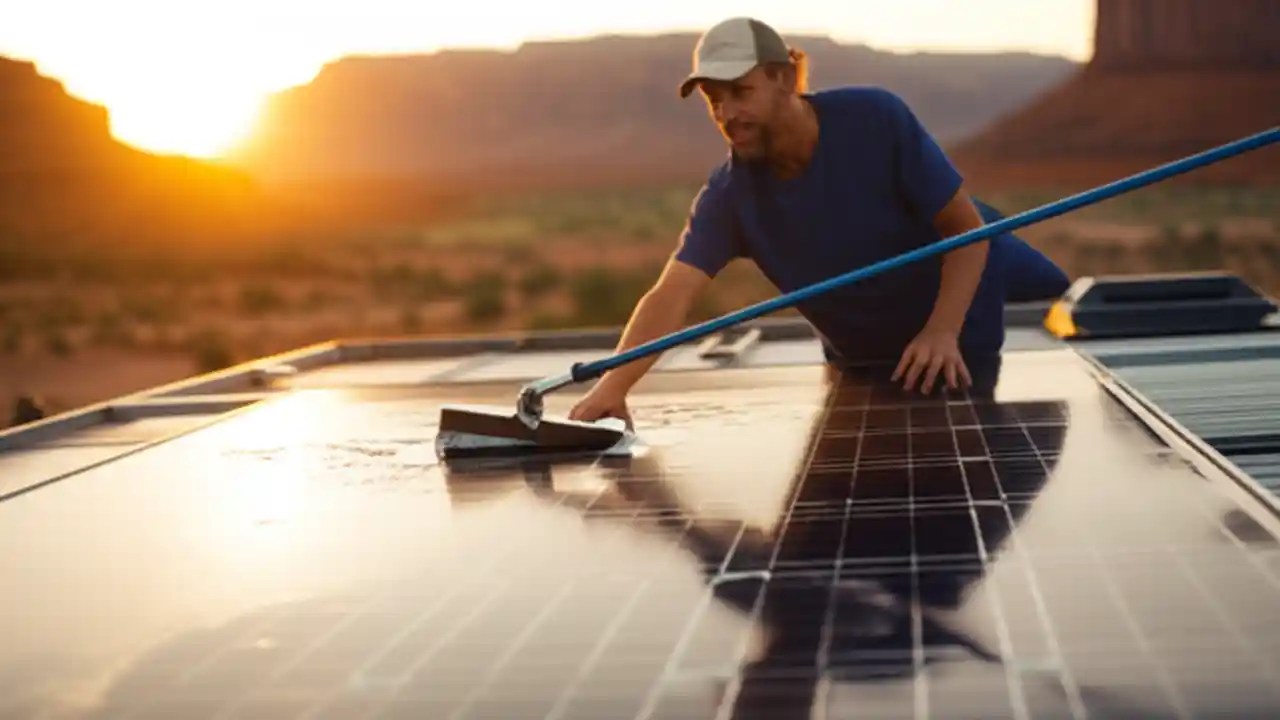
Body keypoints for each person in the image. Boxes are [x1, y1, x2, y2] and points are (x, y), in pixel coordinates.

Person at [569, 17, 1068, 426]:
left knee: (952, 486)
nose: (726, 112)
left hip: (955, 324)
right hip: (858, 355)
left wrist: (942, 331)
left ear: (784, 78)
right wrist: (613, 386)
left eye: (740, 91)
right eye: (713, 98)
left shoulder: (875, 118)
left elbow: (967, 231)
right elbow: (670, 294)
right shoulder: (728, 196)